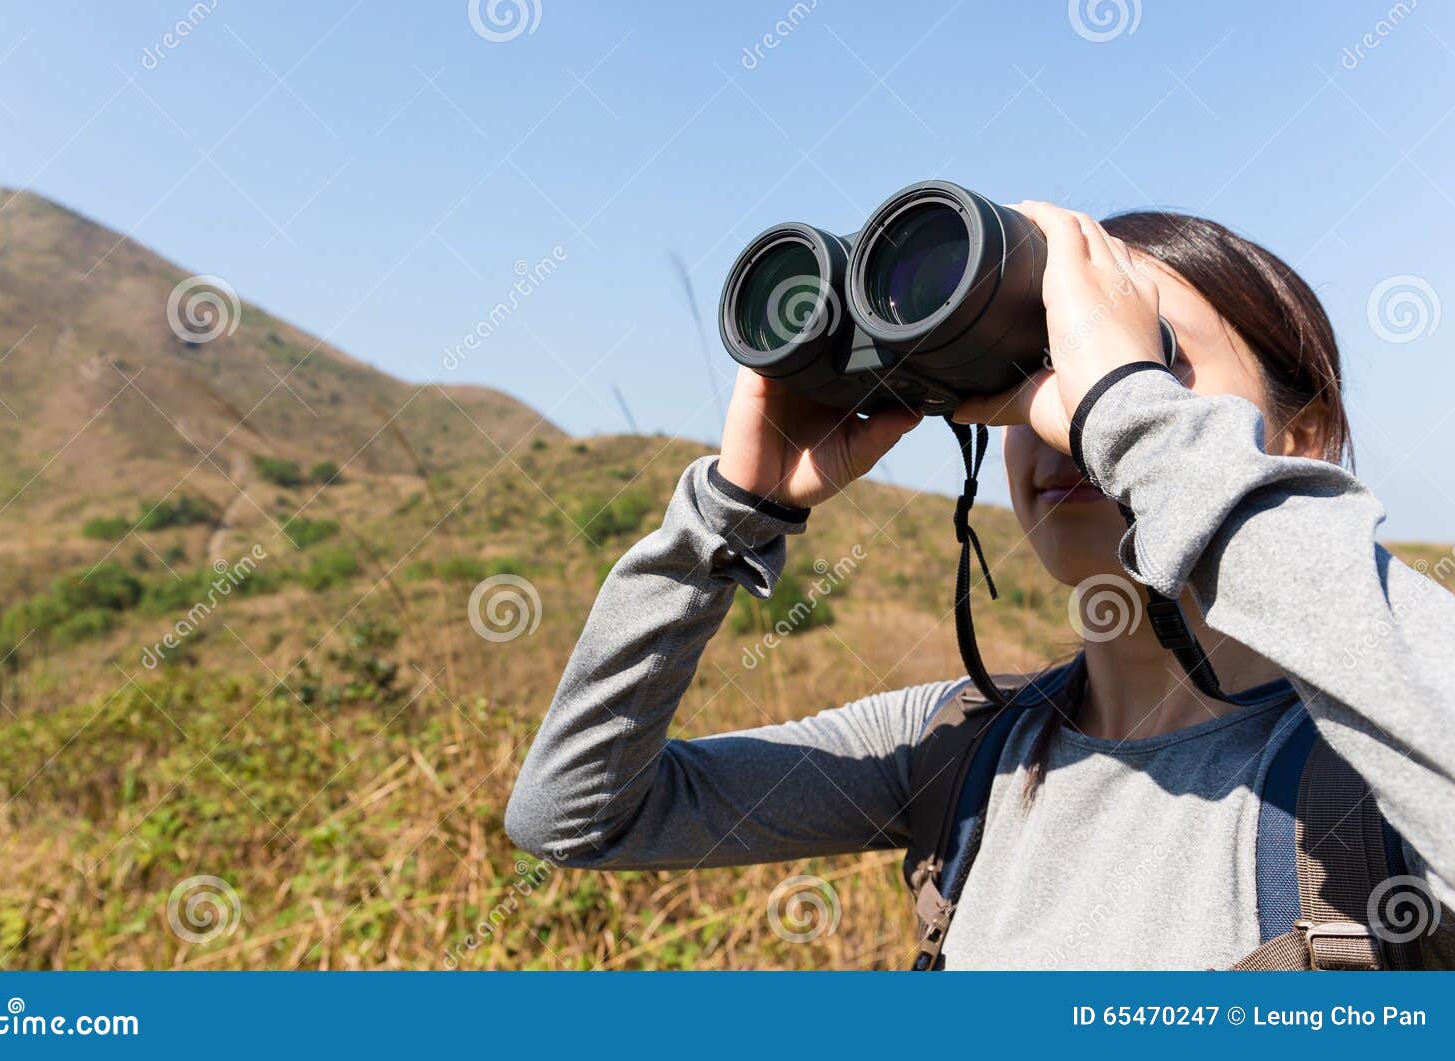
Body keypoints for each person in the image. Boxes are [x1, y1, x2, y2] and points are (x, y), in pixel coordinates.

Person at [505, 201, 1455, 968]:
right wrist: (727, 517)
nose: (1068, 417)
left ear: (1302, 435)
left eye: (1141, 359)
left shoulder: (1377, 774)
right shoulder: (964, 745)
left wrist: (1136, 419)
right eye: (1038, 366)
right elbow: (578, 812)